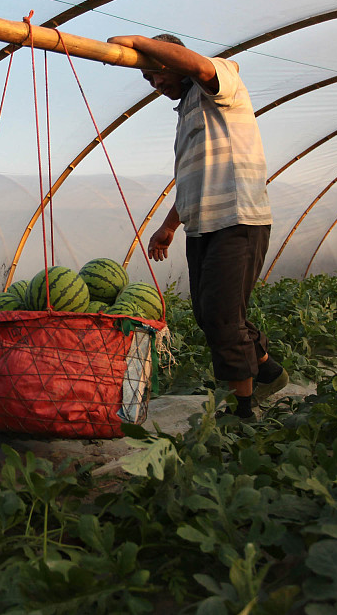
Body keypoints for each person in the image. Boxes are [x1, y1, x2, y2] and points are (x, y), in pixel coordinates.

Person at [107, 33, 288, 420]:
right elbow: (195, 179)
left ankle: (243, 412)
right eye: (148, 79)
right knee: (210, 315)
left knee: (223, 317)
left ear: (176, 60)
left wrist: (138, 41)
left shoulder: (220, 83)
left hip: (237, 220)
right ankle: (269, 371)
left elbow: (200, 66)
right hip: (203, 226)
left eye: (157, 73)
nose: (155, 84)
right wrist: (169, 226)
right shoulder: (187, 111)